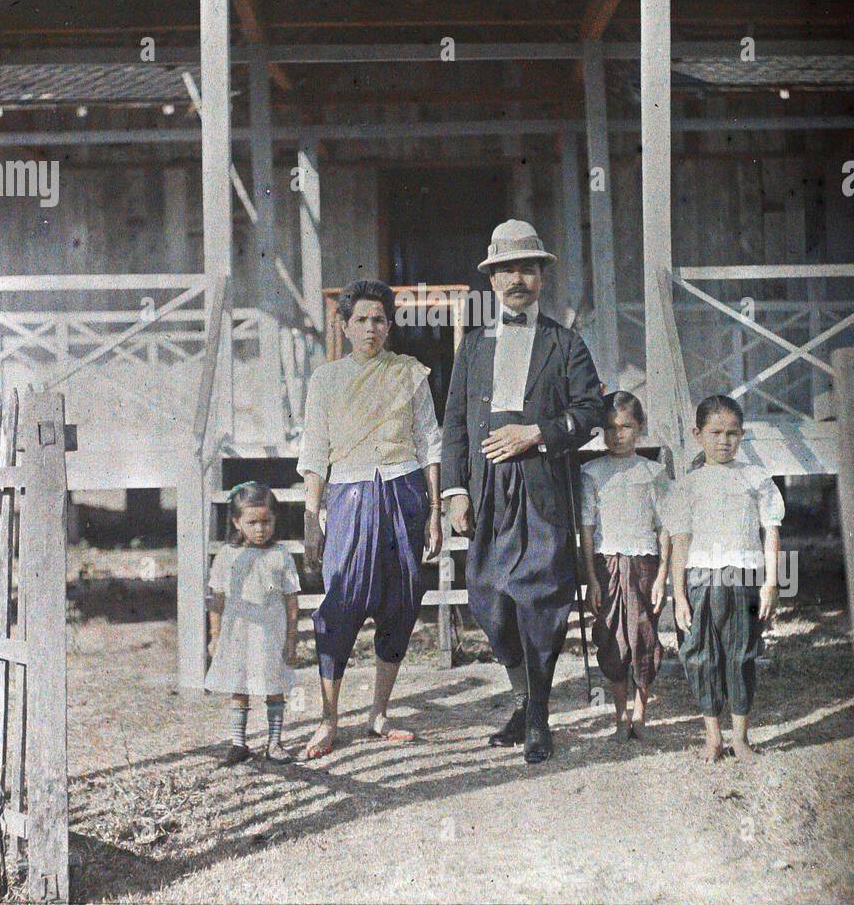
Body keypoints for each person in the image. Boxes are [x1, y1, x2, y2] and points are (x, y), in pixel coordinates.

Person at [442, 219, 603, 764]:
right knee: (488, 600)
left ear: (541, 279)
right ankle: (523, 695)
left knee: (540, 600)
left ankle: (537, 718)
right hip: (488, 488)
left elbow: (590, 413)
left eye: (528, 269)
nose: (518, 279)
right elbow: (456, 427)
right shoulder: (473, 346)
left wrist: (537, 434)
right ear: (492, 280)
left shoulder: (566, 343)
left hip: (540, 485)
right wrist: (454, 491)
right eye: (508, 269)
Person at [298, 278, 442, 760]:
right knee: (342, 601)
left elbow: (429, 443)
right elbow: (315, 450)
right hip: (348, 495)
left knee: (401, 600)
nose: (370, 328)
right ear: (343, 326)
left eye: (379, 319)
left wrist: (435, 511)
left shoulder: (409, 373)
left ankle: (378, 713)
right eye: (360, 319)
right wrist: (309, 516)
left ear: (390, 324)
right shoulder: (326, 380)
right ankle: (328, 718)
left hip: (403, 492)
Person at [666, 394, 784, 764]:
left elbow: (772, 535)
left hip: (743, 579)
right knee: (701, 658)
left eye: (732, 433)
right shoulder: (688, 484)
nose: (724, 441)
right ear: (697, 434)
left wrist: (770, 584)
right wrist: (679, 595)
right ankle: (713, 737)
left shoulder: (756, 479)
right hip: (701, 581)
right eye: (715, 432)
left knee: (741, 655)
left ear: (742, 435)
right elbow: (680, 542)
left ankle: (742, 739)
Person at [581, 390, 671, 743]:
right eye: (610, 427)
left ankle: (640, 714)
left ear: (640, 428)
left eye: (626, 427)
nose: (617, 435)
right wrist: (591, 578)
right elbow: (587, 530)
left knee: (643, 639)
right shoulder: (592, 472)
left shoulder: (654, 473)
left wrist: (662, 575)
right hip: (607, 564)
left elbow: (665, 528)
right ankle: (620, 715)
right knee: (612, 640)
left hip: (645, 564)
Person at [205, 481, 299, 766]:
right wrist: (215, 635)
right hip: (238, 633)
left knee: (274, 685)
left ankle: (274, 742)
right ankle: (238, 743)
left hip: (271, 634)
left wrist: (291, 639)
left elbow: (291, 600)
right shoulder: (226, 556)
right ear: (236, 522)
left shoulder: (280, 555)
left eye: (266, 521)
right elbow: (216, 598)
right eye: (252, 522)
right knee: (240, 684)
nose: (260, 529)